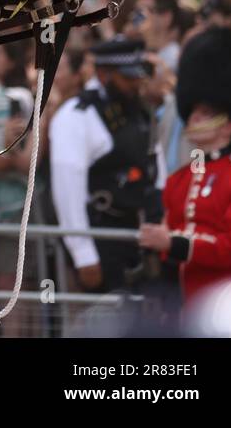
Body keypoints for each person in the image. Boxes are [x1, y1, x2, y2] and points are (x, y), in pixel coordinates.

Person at [138, 27, 231, 304]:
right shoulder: (180, 179)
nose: (194, 119)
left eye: (206, 113)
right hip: (187, 297)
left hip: (230, 299)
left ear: (228, 124)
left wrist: (173, 243)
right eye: (194, 111)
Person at [49, 36, 164, 292]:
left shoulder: (140, 110)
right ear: (104, 74)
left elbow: (156, 168)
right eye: (128, 78)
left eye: (138, 76)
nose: (137, 84)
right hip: (102, 237)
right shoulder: (76, 116)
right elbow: (68, 191)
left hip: (143, 236)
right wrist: (83, 255)